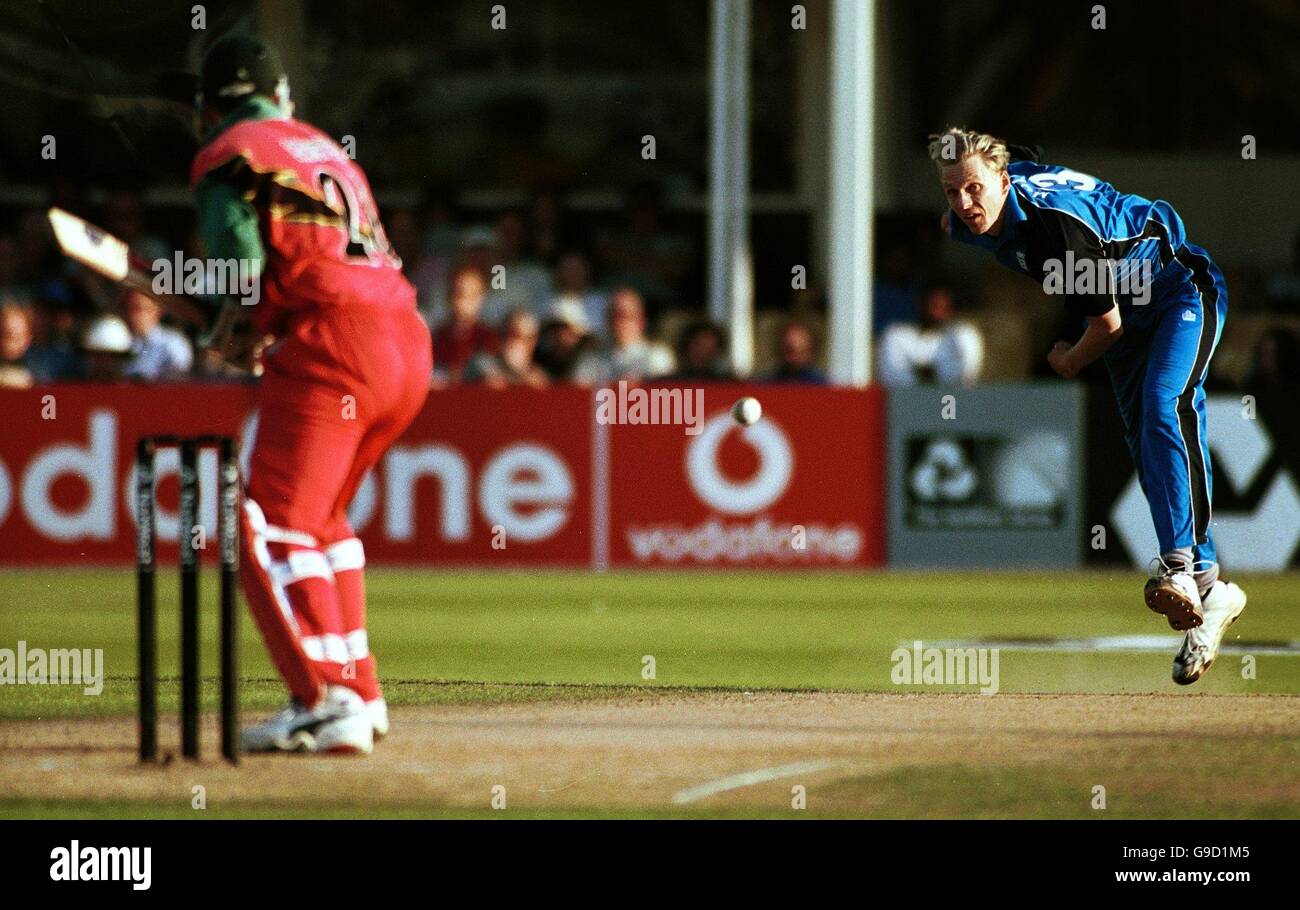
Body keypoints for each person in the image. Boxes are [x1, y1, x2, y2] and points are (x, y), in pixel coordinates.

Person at [930, 127, 1245, 685]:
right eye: (951, 191)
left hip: (1175, 290)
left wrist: (1070, 362)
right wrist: (959, 152)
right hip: (1121, 310)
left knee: (1164, 406)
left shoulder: (1058, 234)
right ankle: (1212, 594)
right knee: (1147, 444)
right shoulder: (984, 198)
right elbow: (1027, 155)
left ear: (1002, 182)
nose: (963, 204)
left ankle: (1180, 566)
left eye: (974, 189)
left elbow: (1106, 325)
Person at [191, 34, 432, 754]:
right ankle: (358, 689)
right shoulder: (323, 146)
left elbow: (241, 261)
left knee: (263, 521)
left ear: (208, 106)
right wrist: (259, 320)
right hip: (405, 339)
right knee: (323, 522)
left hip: (334, 344)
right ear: (283, 95)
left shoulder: (225, 151)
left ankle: (326, 698)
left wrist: (235, 323)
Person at [876, 283, 983, 387]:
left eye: (943, 307)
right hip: (908, 399)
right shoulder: (896, 335)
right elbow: (893, 376)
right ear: (921, 305)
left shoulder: (962, 335)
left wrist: (935, 378)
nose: (937, 312)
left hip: (951, 400)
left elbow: (966, 375)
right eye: (934, 305)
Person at [572, 287, 674, 384]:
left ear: (641, 320)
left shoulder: (658, 356)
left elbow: (665, 395)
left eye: (624, 315)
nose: (617, 322)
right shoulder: (591, 359)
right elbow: (579, 394)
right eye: (612, 315)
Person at [431, 264, 499, 384]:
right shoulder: (438, 336)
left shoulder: (488, 338)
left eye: (470, 295)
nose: (461, 301)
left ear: (480, 298)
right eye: (457, 293)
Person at [463, 308, 549, 388]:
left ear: (533, 341)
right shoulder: (482, 362)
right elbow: (489, 380)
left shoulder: (538, 376)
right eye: (507, 334)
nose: (512, 341)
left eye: (526, 338)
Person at [120, 290, 193, 380]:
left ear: (156, 312)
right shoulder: (118, 340)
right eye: (127, 308)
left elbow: (177, 380)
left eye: (139, 308)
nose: (132, 315)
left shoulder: (174, 343)